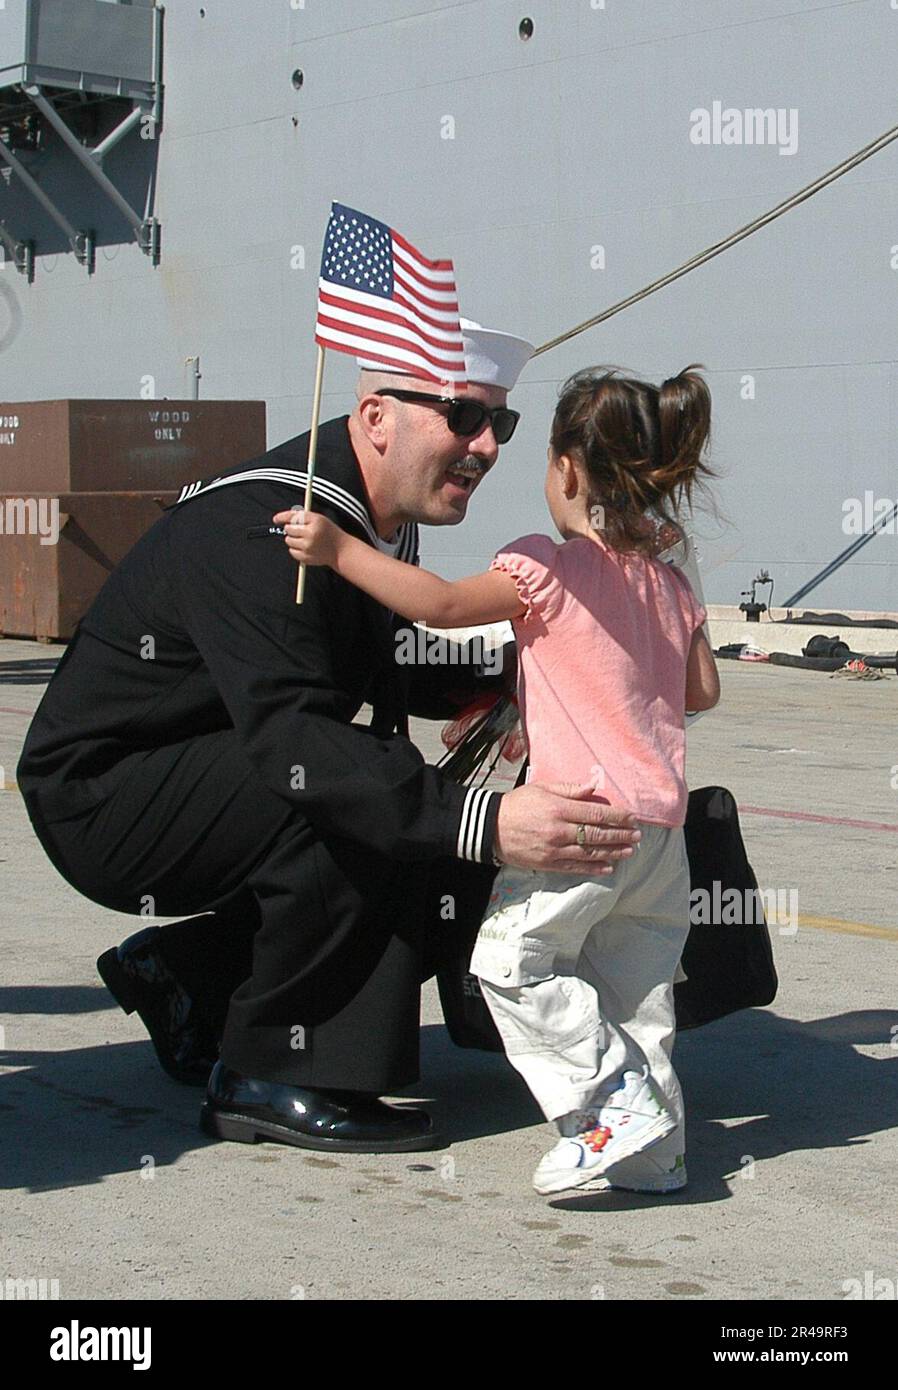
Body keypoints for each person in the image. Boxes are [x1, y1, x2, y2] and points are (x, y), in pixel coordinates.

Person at [16, 321, 644, 1155]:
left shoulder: (375, 518)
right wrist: (485, 821)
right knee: (355, 794)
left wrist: (517, 678)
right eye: (461, 415)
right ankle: (274, 1076)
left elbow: (369, 657)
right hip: (106, 795)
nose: (487, 446)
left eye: (502, 424)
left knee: (392, 803)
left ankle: (190, 981)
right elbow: (295, 738)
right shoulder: (268, 526)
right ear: (378, 417)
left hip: (215, 761)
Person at [278, 364, 721, 1192]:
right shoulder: (668, 582)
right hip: (662, 831)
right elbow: (701, 692)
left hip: (580, 822)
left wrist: (340, 551)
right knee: (635, 994)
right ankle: (656, 1159)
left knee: (514, 967)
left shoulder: (541, 568)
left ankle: (610, 1100)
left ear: (567, 470)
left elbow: (440, 604)